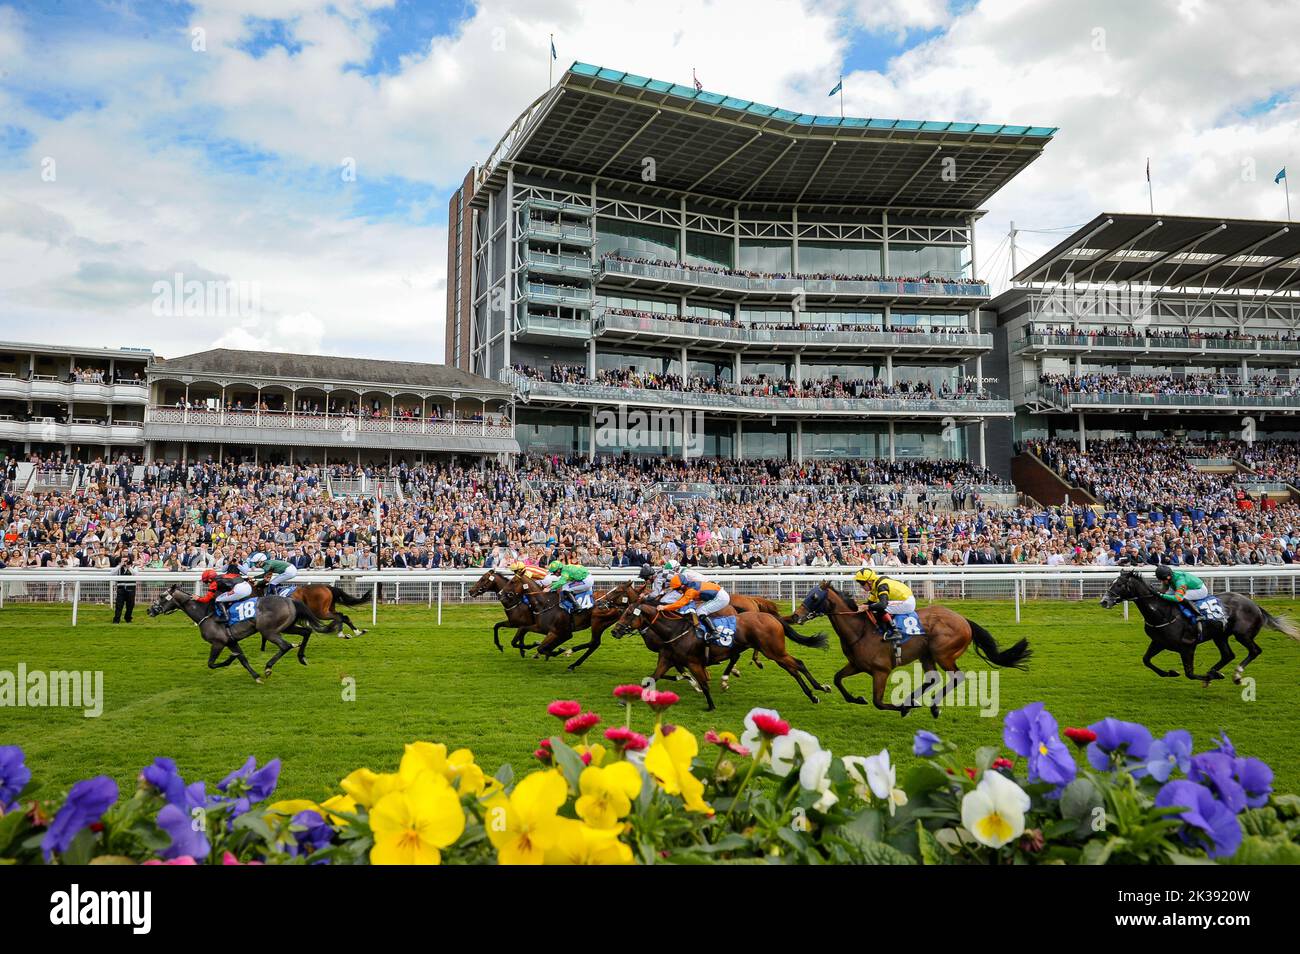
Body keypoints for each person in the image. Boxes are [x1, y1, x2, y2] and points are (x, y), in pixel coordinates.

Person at [659, 565, 730, 641]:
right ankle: (703, 628)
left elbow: (680, 603)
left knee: (701, 611)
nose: (676, 591)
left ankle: (715, 633)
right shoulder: (690, 586)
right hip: (718, 595)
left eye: (677, 589)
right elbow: (682, 600)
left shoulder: (691, 590)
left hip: (721, 598)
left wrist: (664, 607)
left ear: (682, 586)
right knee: (698, 610)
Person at [853, 564, 916, 649]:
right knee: (874, 606)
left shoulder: (881, 586)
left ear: (870, 581)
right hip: (902, 599)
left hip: (907, 602)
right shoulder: (875, 585)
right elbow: (869, 602)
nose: (861, 586)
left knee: (879, 608)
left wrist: (867, 607)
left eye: (862, 583)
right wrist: (859, 606)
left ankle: (895, 632)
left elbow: (882, 605)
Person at [1154, 564, 1209, 641]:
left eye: (1162, 580)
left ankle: (1198, 615)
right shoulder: (1170, 577)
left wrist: (1161, 595)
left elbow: (1178, 598)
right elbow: (1163, 591)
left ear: (1168, 577)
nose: (1161, 582)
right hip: (1187, 588)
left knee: (1182, 598)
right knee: (1167, 596)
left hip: (1199, 590)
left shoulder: (1180, 580)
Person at [112, 554, 136, 623]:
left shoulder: (133, 567)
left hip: (131, 589)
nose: (125, 562)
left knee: (130, 606)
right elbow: (111, 574)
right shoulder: (119, 568)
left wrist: (129, 567)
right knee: (119, 606)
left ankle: (128, 618)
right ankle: (116, 620)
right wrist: (120, 565)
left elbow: (137, 574)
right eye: (123, 561)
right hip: (121, 589)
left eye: (126, 560)